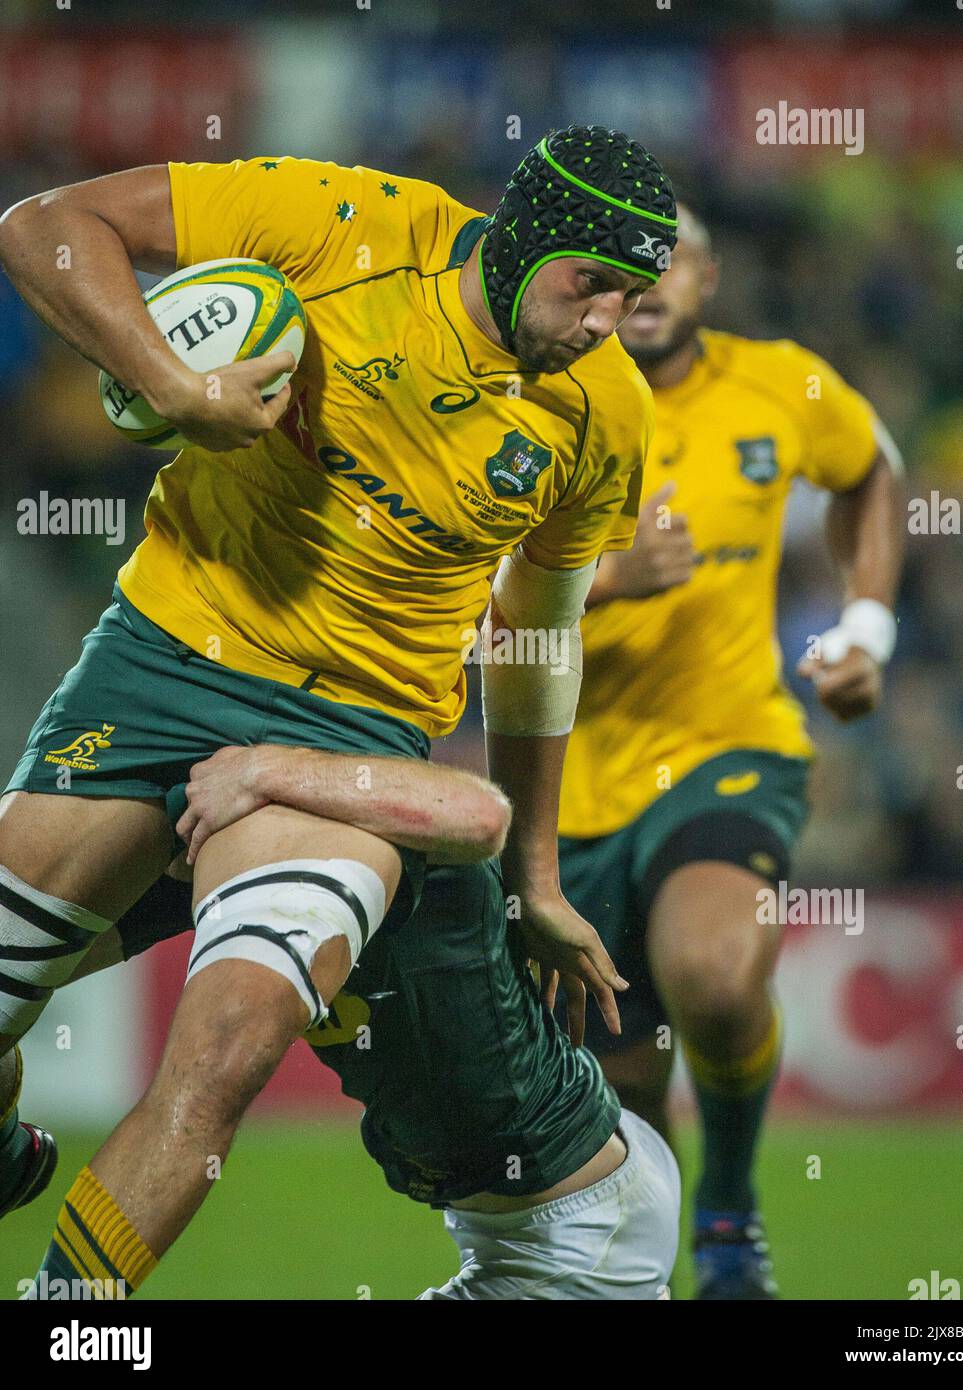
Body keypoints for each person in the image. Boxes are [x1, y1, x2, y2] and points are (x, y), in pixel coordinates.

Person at [0, 127, 677, 1299]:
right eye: (591, 283)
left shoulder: (600, 415)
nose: (606, 320)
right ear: (521, 243)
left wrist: (540, 873)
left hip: (350, 733)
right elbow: (40, 226)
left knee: (226, 1042)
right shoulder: (340, 222)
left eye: (632, 294)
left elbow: (539, 629)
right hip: (161, 658)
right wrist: (176, 388)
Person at [556, 206, 905, 1299]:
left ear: (710, 277)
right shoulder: (537, 397)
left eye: (674, 257)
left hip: (731, 745)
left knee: (711, 972)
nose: (650, 275)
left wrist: (865, 630)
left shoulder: (783, 383)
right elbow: (462, 614)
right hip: (565, 786)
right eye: (625, 261)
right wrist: (606, 580)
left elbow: (871, 474)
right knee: (623, 1081)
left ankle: (733, 1205)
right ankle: (648, 1255)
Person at [37, 742, 681, 1301]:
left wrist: (264, 770)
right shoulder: (220, 843)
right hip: (529, 1221)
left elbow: (481, 811)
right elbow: (42, 956)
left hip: (581, 1235)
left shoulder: (387, 809)